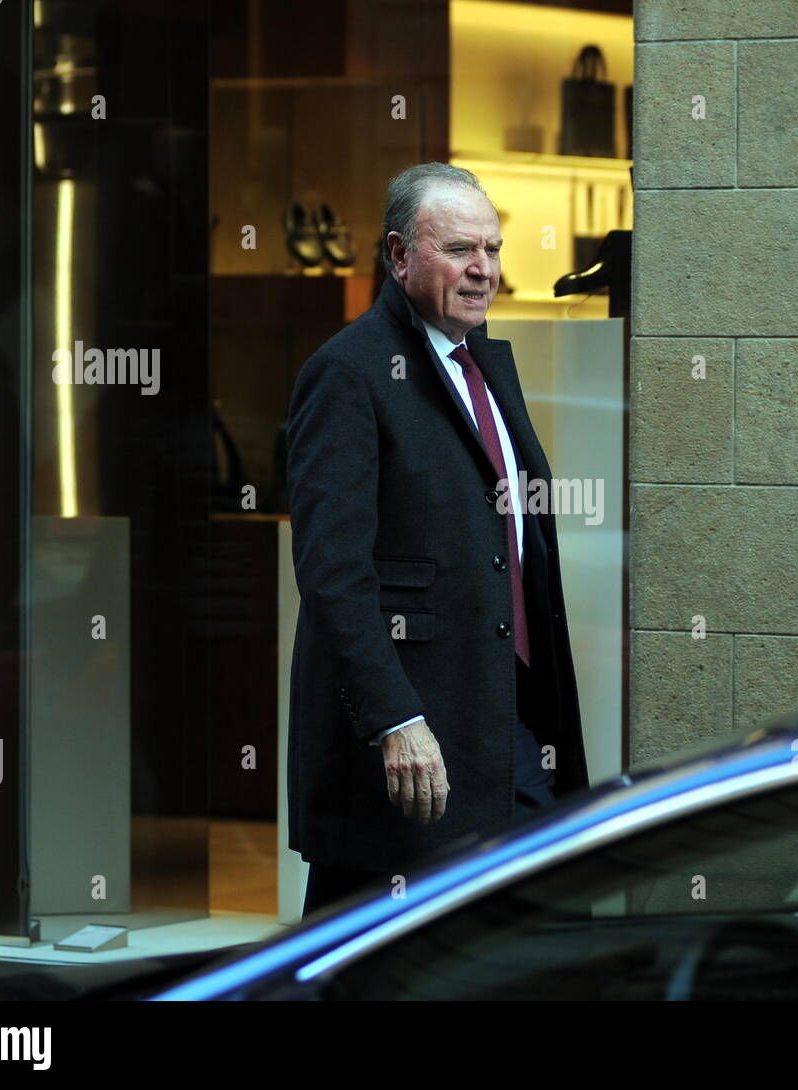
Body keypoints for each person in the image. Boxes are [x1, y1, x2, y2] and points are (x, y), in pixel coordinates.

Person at [286, 163, 589, 917]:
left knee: (526, 934)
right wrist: (395, 718)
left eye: (492, 248)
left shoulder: (484, 361)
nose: (483, 269)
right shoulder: (348, 374)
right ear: (398, 256)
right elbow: (333, 573)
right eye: (459, 250)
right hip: (412, 740)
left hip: (507, 717)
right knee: (382, 956)